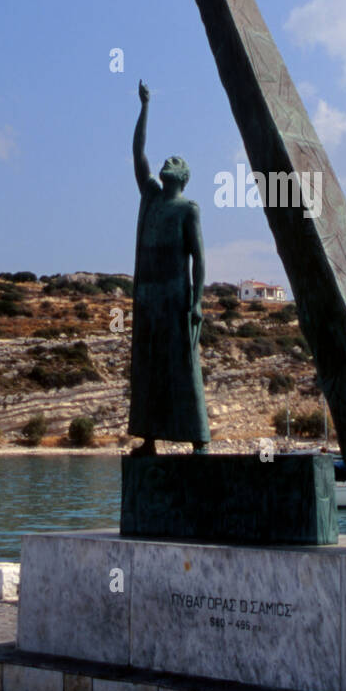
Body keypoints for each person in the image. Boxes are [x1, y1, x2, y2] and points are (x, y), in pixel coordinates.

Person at [128, 80, 210, 454]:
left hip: (176, 296)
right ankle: (148, 438)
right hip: (148, 297)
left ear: (184, 176)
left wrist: (197, 302)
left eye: (174, 162)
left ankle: (199, 440)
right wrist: (145, 106)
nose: (166, 163)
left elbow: (199, 258)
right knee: (147, 368)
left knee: (183, 368)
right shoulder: (151, 196)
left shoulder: (187, 209)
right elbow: (138, 152)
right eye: (167, 160)